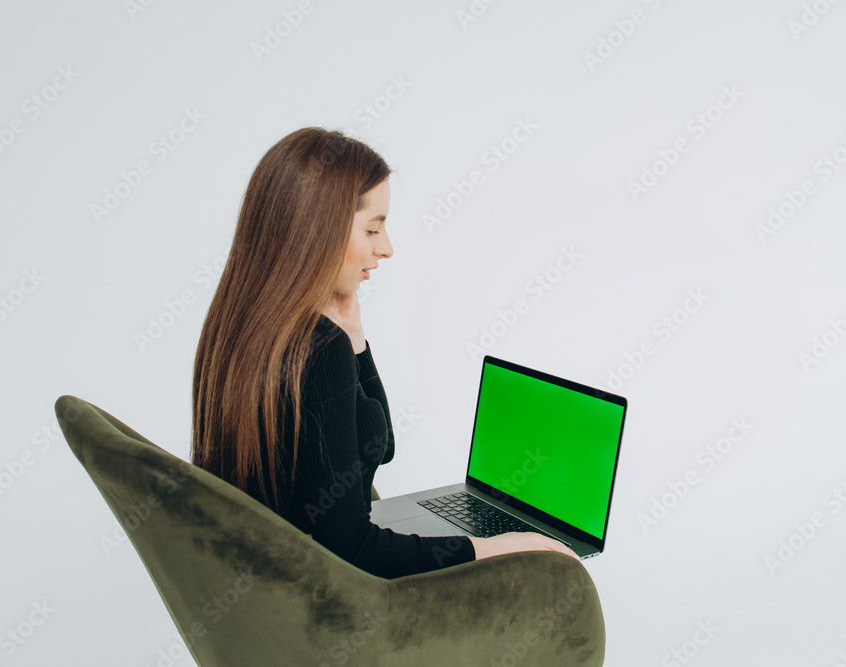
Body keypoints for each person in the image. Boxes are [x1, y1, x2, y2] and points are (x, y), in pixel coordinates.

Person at [190, 127, 579, 579]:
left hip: (266, 594)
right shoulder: (318, 352)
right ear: (316, 230)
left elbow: (382, 446)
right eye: (373, 228)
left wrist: (353, 334)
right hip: (331, 603)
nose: (387, 247)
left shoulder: (236, 329)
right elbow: (354, 548)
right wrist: (490, 548)